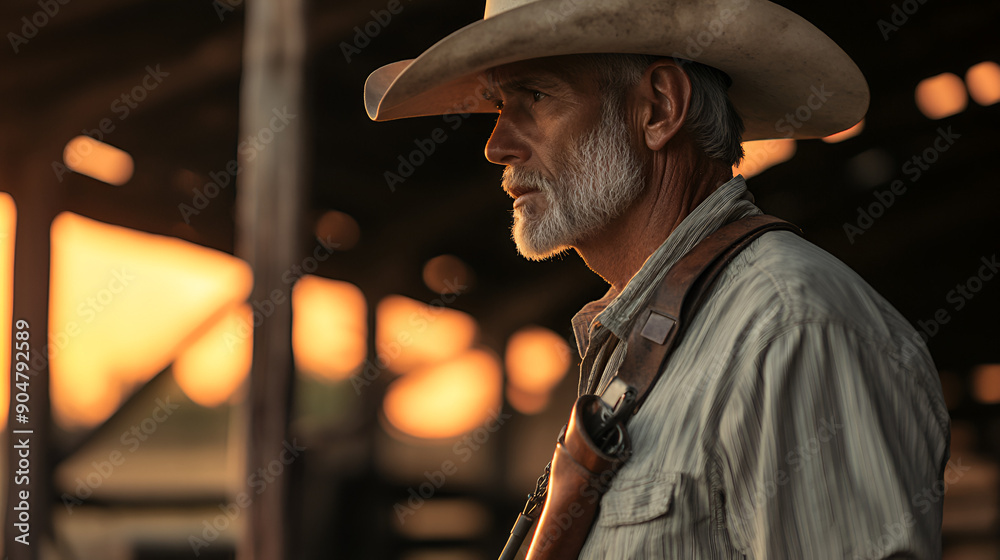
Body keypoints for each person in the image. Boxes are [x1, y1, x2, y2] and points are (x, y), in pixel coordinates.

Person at [364, 0, 951, 557]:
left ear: (659, 109)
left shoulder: (792, 329)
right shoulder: (654, 337)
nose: (497, 145)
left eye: (535, 96)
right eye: (499, 106)